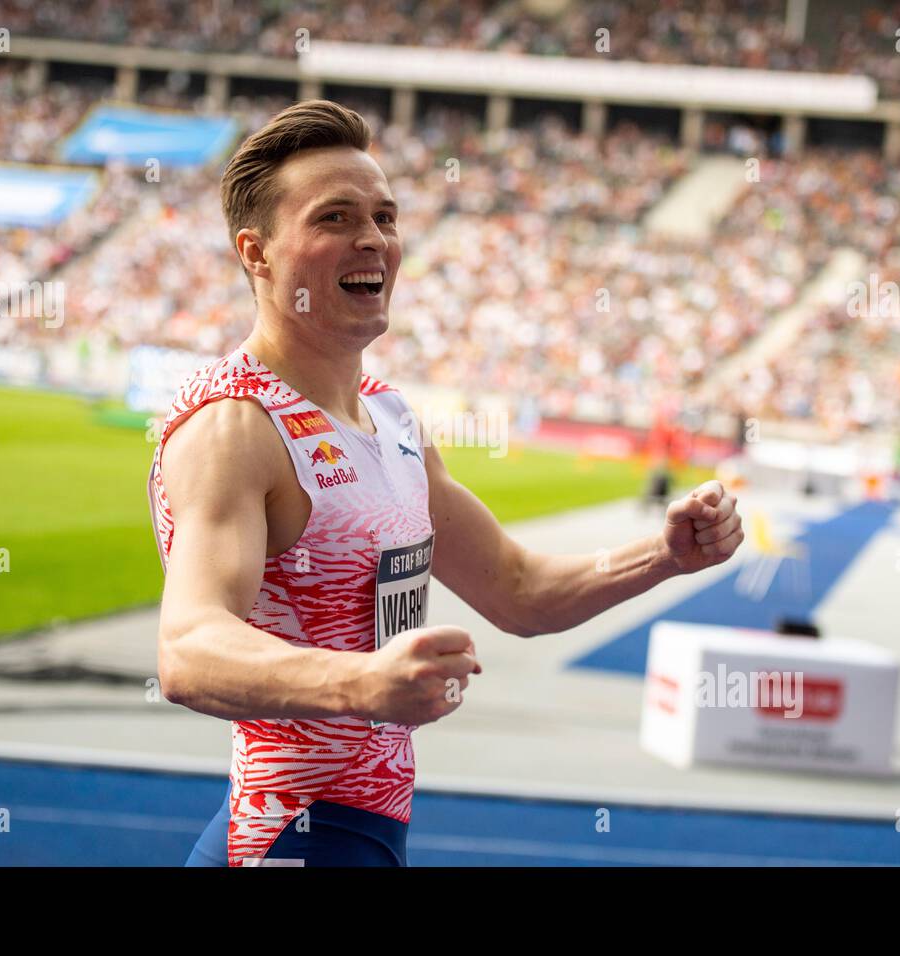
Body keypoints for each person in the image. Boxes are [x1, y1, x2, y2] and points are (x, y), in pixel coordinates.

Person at [147, 100, 746, 867]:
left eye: (386, 216)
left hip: (365, 833)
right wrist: (361, 683)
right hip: (285, 837)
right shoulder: (236, 425)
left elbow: (518, 589)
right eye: (334, 218)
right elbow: (189, 649)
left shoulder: (391, 419)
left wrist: (663, 557)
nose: (373, 238)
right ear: (256, 254)